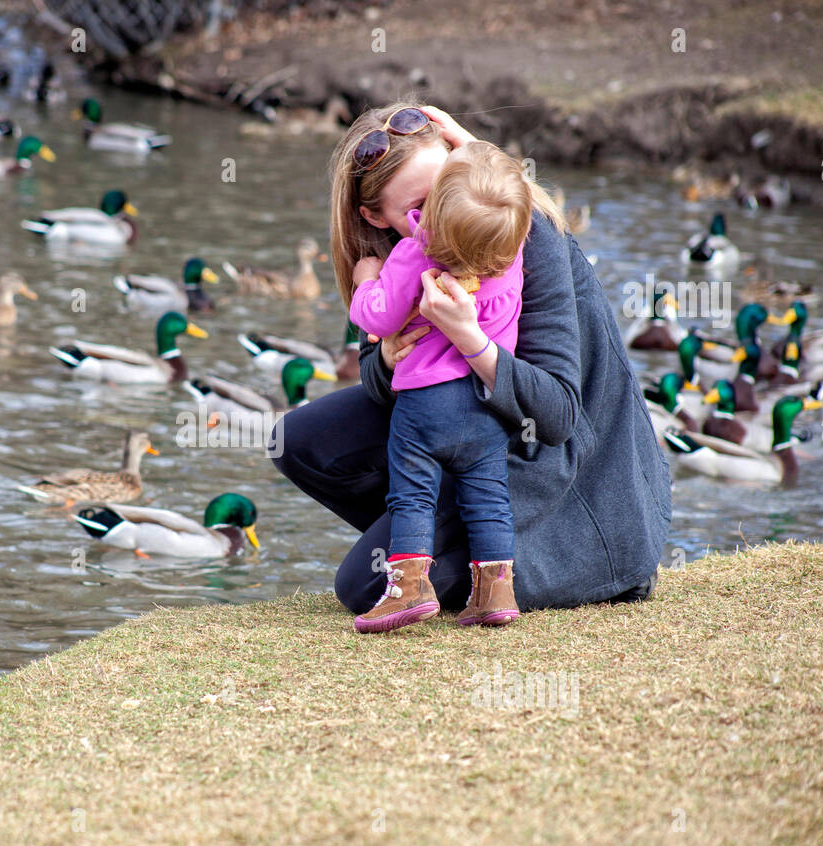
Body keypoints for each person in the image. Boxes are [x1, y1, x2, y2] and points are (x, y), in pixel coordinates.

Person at [272, 102, 670, 617]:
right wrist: (388, 361)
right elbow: (375, 375)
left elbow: (556, 415)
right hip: (453, 420)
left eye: (448, 186)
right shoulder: (394, 254)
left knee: (360, 586)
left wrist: (467, 338)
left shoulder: (523, 235)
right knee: (297, 441)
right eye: (423, 203)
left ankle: (507, 554)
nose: (448, 215)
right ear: (376, 217)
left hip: (561, 466)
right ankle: (428, 533)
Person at [349, 133, 535, 632]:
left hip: (426, 403)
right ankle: (494, 595)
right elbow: (507, 197)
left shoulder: (416, 249)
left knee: (412, 496)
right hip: (486, 402)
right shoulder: (510, 245)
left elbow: (380, 317)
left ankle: (408, 590)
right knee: (488, 497)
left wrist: (366, 277)